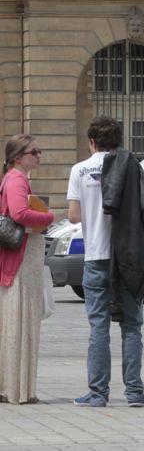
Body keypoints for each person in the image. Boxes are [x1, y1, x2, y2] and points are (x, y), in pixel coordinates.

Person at [68, 116, 144, 407]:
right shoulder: (132, 166)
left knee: (98, 327)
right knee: (131, 325)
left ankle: (97, 393)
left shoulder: (79, 170)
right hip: (128, 258)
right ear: (117, 140)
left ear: (91, 141)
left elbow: (73, 216)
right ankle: (134, 393)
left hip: (96, 257)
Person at [0, 135, 55, 404]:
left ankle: (11, 387)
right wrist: (49, 216)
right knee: (22, 322)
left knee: (15, 323)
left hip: (19, 259)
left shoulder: (13, 178)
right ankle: (18, 389)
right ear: (19, 157)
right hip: (21, 261)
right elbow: (20, 214)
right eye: (35, 152)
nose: (39, 156)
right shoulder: (17, 179)